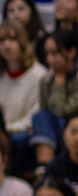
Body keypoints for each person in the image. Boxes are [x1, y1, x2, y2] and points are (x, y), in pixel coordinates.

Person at [0, 20, 47, 168]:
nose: (7, 45)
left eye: (12, 39)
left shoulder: (39, 76)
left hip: (24, 137)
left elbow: (35, 116)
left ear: (22, 43)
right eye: (2, 41)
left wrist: (7, 128)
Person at [34, 29, 78, 165]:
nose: (49, 60)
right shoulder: (46, 80)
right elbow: (45, 109)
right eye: (47, 54)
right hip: (53, 129)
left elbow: (62, 111)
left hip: (73, 126)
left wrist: (59, 79)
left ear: (71, 52)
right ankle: (45, 167)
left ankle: (47, 167)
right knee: (38, 118)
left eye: (55, 53)